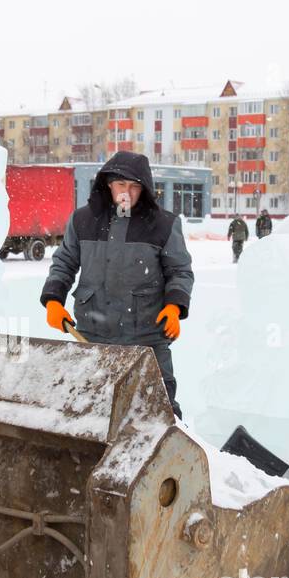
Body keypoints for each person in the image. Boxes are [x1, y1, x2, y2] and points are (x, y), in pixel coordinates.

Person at [39, 152, 192, 418]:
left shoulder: (164, 224)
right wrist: (53, 300)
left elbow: (179, 270)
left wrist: (174, 307)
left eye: (134, 186)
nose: (127, 192)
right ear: (108, 184)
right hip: (92, 336)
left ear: (143, 189)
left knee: (160, 410)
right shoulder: (82, 220)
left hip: (147, 339)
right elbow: (64, 262)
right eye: (121, 184)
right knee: (89, 410)